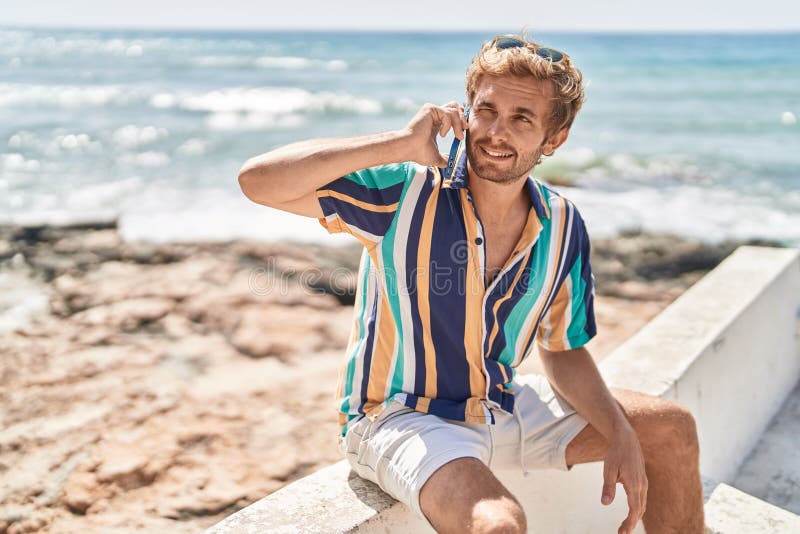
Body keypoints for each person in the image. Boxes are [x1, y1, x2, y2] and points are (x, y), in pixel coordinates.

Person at [238, 34, 704, 534]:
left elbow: (563, 349)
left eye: (521, 118)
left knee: (670, 429)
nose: (495, 133)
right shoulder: (405, 192)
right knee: (499, 524)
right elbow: (258, 181)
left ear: (555, 139)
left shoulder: (564, 223)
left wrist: (620, 432)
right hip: (396, 416)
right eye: (486, 110)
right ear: (465, 110)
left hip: (497, 405)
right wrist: (399, 142)